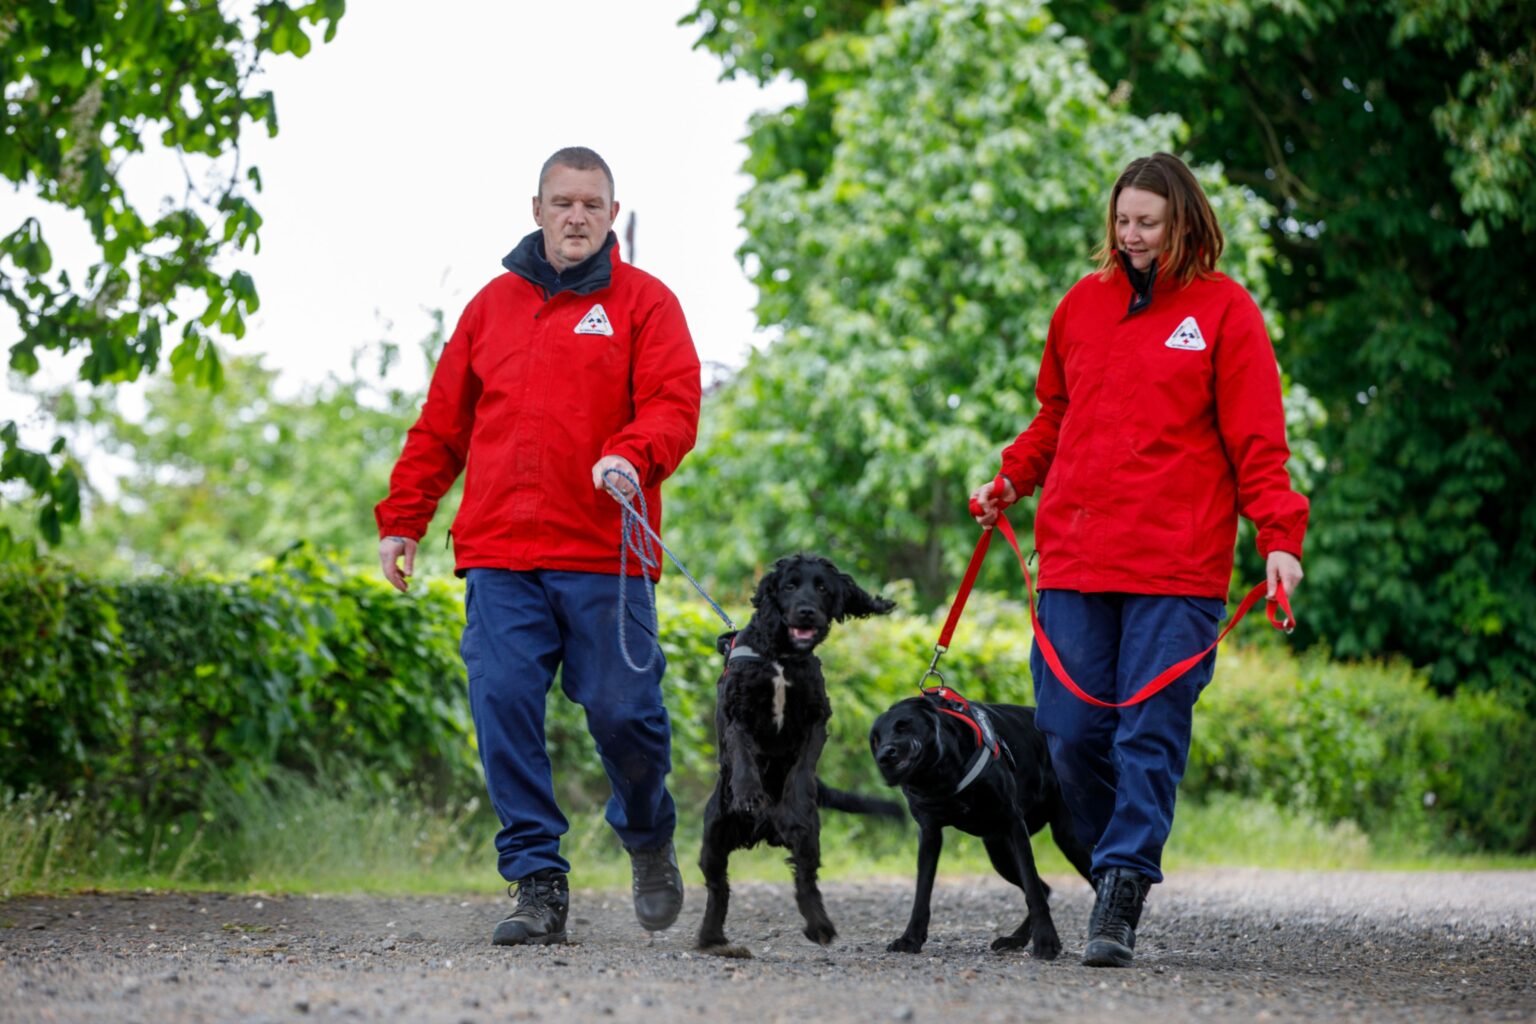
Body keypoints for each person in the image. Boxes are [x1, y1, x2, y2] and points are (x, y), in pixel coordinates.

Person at [970, 152, 1307, 968]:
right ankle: (1109, 868)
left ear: (1182, 222)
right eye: (1122, 221)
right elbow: (1055, 415)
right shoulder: (1081, 305)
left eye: (1147, 222)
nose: (1131, 235)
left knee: (1147, 732)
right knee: (1068, 732)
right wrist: (1012, 477)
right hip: (1076, 556)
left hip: (1176, 567)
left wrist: (1279, 538)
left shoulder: (1226, 311)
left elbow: (1258, 441)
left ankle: (1122, 887)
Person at [375, 146, 702, 947]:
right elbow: (442, 423)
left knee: (628, 714)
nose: (576, 217)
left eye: (591, 204)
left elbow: (674, 404)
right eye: (563, 203)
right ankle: (537, 881)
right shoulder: (490, 308)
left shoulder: (646, 303)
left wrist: (631, 454)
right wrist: (404, 517)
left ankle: (647, 834)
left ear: (611, 214)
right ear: (537, 210)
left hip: (605, 555)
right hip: (500, 554)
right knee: (503, 704)